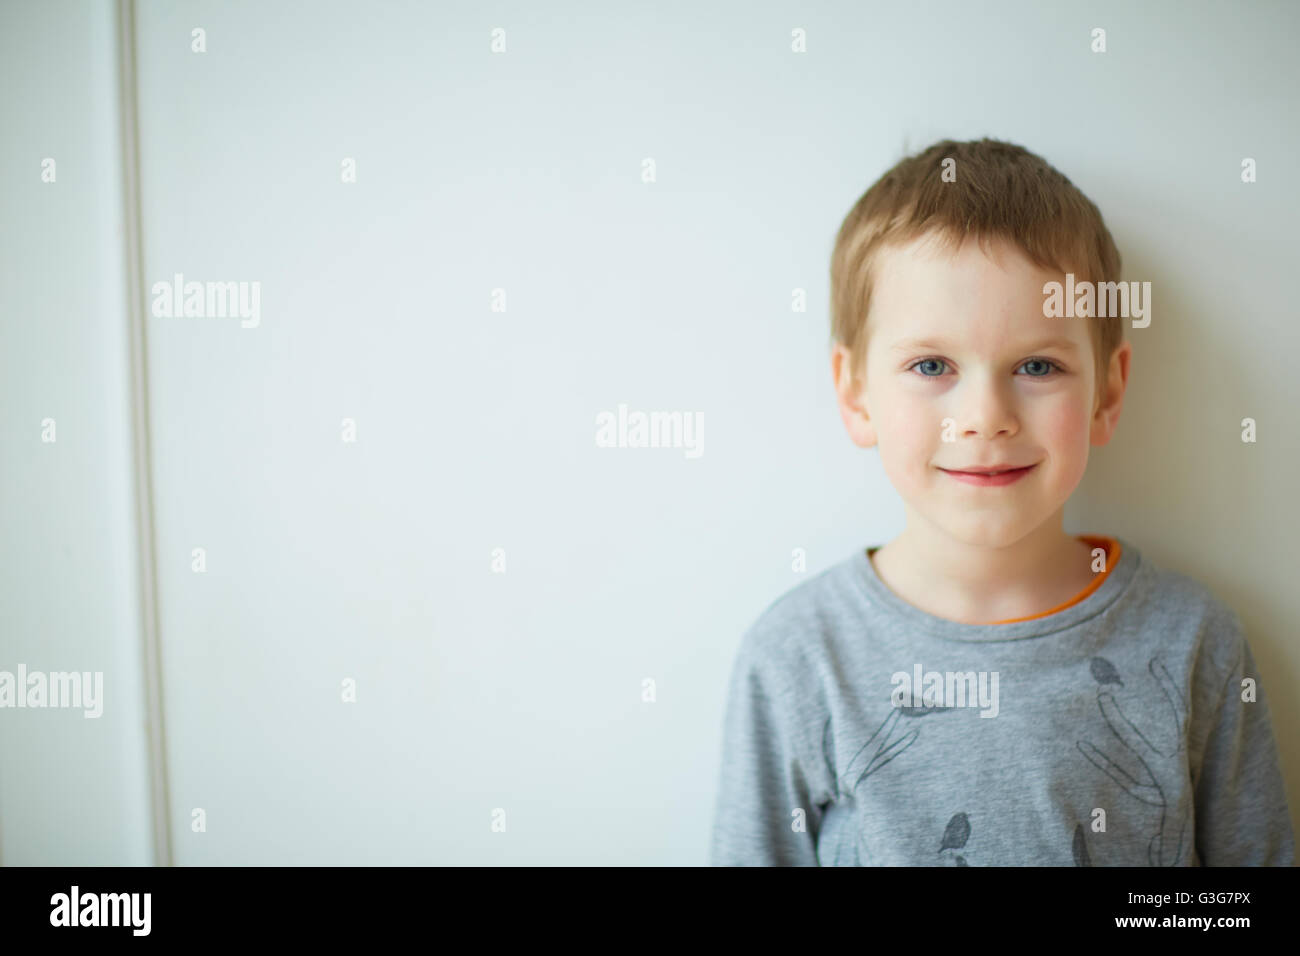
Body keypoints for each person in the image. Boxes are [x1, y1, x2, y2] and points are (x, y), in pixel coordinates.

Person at [709, 138, 1294, 866]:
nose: (983, 416)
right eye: (931, 365)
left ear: (1107, 394)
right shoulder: (798, 658)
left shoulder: (1193, 644)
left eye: (1038, 365)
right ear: (855, 391)